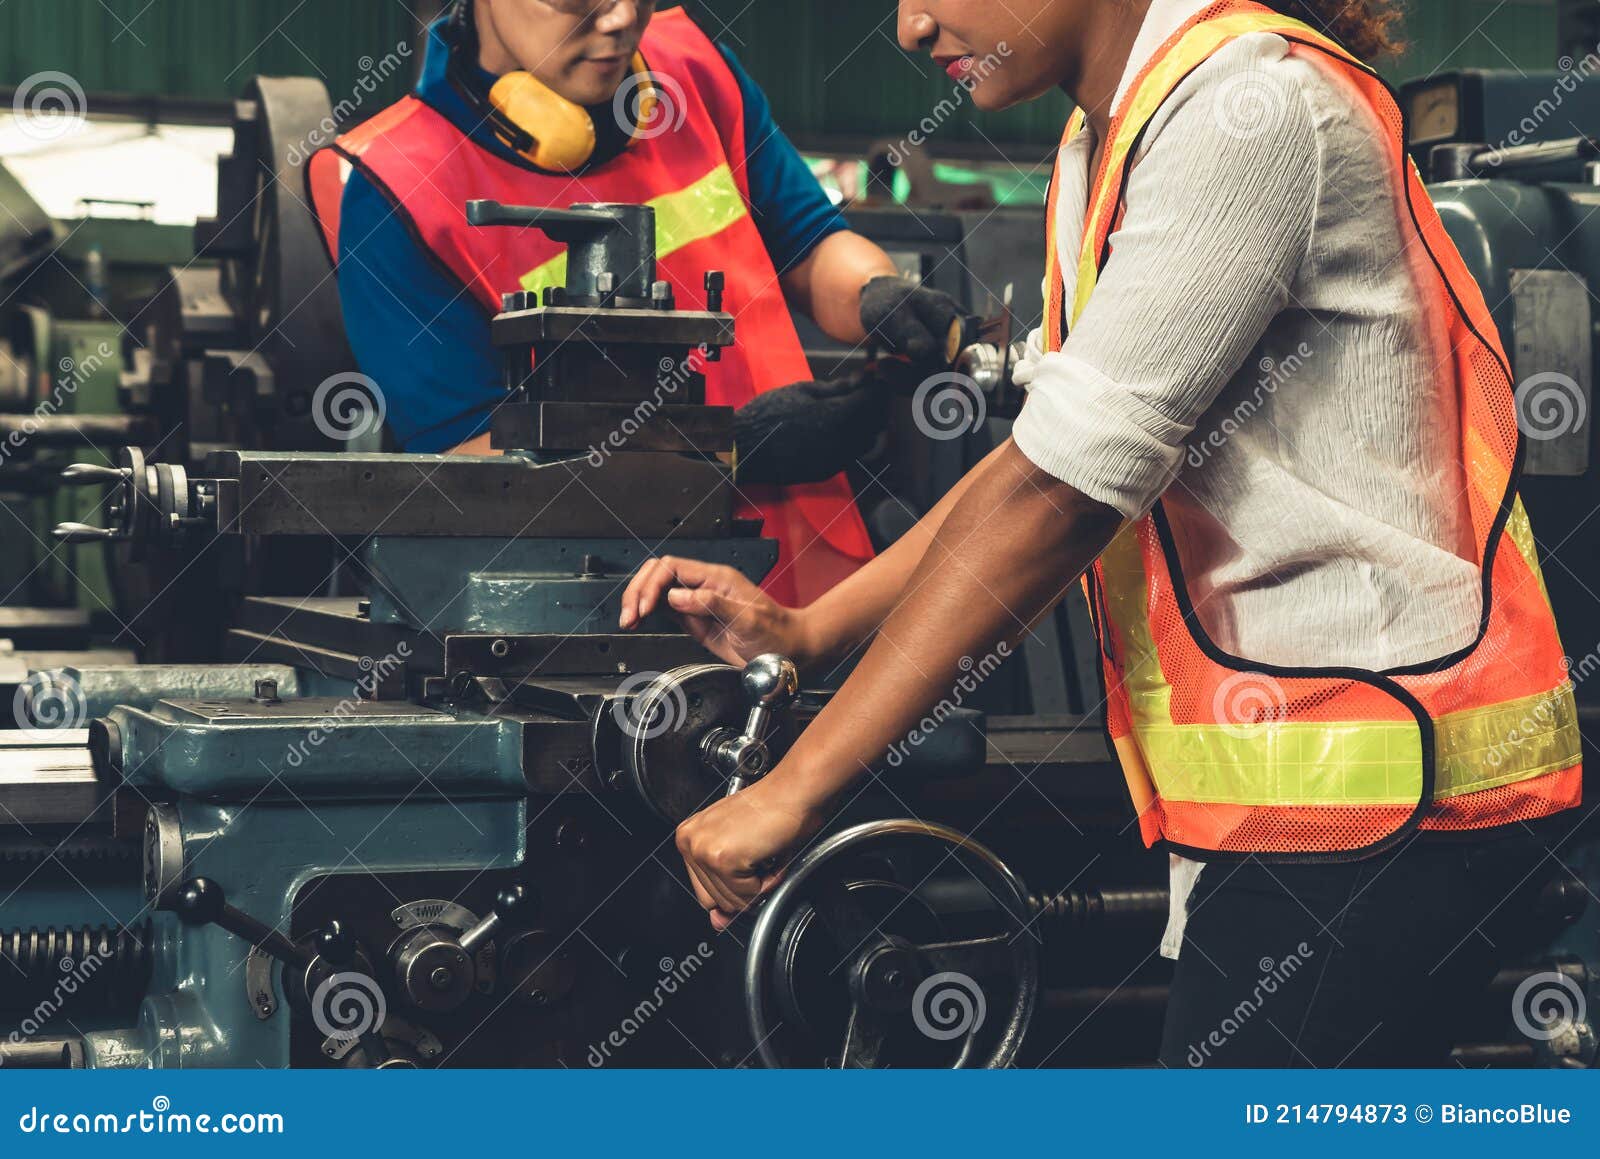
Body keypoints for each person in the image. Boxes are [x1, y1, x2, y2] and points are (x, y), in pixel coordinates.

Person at [620, 0, 1584, 1067]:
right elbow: (1040, 453)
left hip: (1384, 795)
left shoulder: (1249, 109)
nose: (908, 27)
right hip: (1305, 796)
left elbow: (1059, 496)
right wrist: (808, 631)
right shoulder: (1113, 130)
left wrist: (793, 789)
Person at [308, 0, 966, 605]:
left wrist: (878, 293)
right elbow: (470, 468)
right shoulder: (395, 186)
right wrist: (725, 453)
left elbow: (809, 242)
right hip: (604, 617)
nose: (622, 17)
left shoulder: (692, 71)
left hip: (813, 594)